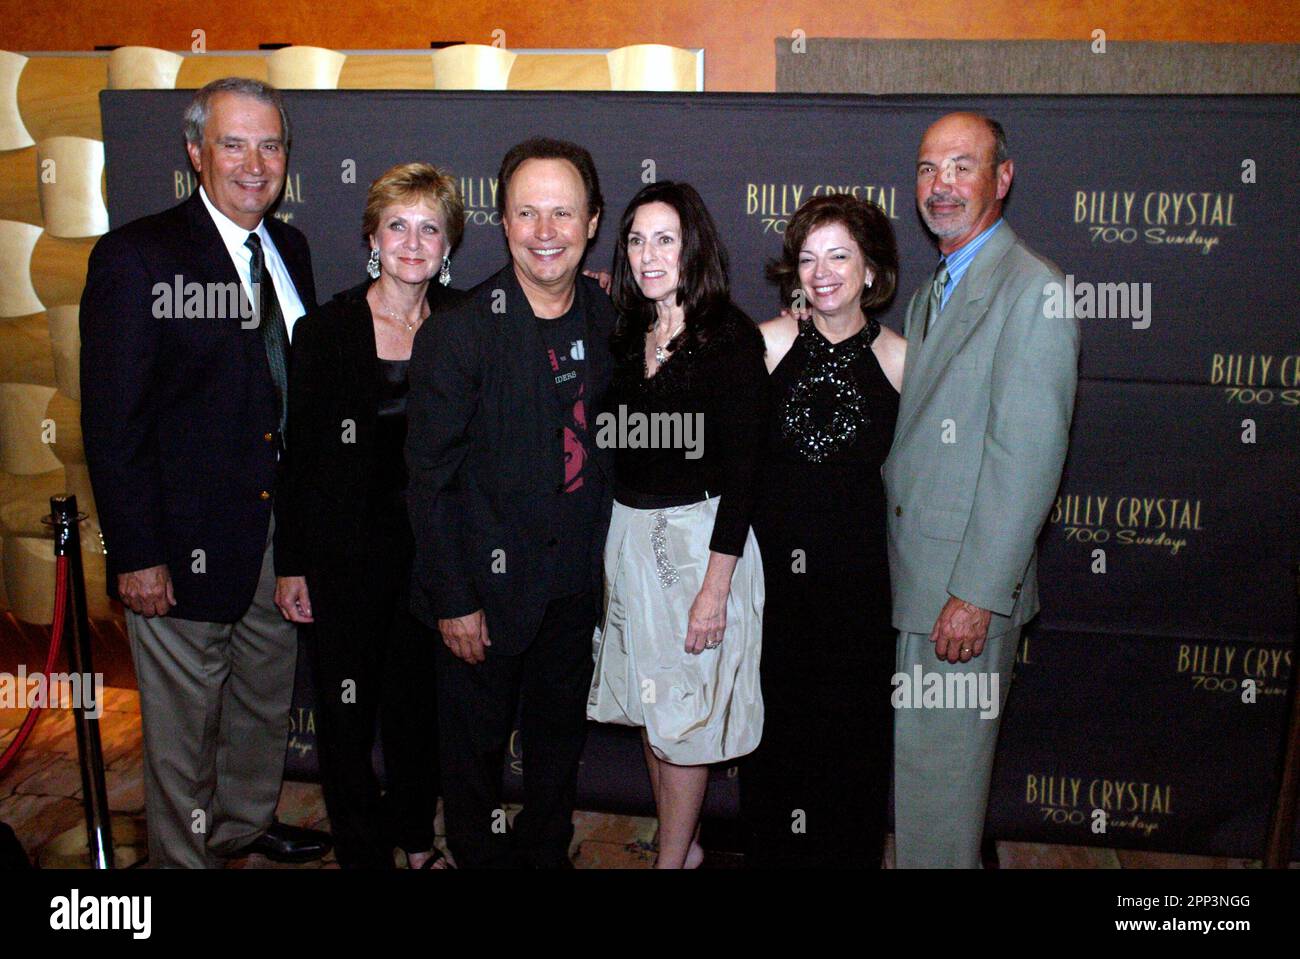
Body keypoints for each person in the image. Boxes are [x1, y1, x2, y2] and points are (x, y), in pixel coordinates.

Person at [79, 77, 329, 867]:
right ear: (195, 152)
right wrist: (138, 554)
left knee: (260, 710)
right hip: (178, 550)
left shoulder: (289, 248)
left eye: (270, 145)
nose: (255, 163)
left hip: (274, 539)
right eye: (233, 143)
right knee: (184, 735)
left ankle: (238, 832)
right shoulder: (139, 256)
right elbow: (112, 422)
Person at [406, 138, 615, 869]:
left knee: (558, 751)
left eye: (563, 212)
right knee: (474, 765)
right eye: (528, 213)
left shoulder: (610, 316)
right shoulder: (460, 332)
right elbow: (427, 480)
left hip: (574, 591)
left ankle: (546, 855)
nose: (546, 230)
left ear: (592, 221)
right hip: (481, 600)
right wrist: (453, 599)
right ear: (503, 221)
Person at [886, 112, 1080, 868]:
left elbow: (1027, 457)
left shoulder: (1034, 292)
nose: (941, 186)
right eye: (929, 169)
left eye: (962, 167)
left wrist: (974, 593)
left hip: (958, 597)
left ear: (1003, 178)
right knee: (929, 789)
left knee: (940, 799)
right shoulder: (936, 290)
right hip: (923, 585)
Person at [273, 163, 465, 869]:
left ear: (448, 245)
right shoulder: (325, 331)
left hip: (431, 554)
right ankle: (361, 851)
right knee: (345, 717)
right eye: (398, 226)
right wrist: (292, 560)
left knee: (417, 710)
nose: (413, 243)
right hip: (341, 556)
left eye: (430, 228)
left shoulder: (466, 323)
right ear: (373, 237)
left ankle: (417, 839)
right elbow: (297, 457)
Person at [587, 181, 768, 869]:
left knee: (684, 718)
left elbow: (747, 472)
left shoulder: (727, 337)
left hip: (698, 545)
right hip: (629, 538)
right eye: (635, 239)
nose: (647, 253)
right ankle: (682, 847)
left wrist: (716, 586)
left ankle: (669, 863)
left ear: (694, 246)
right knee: (652, 704)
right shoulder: (627, 328)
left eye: (664, 238)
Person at [742, 193, 906, 868]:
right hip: (773, 581)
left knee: (852, 742)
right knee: (774, 738)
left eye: (839, 255)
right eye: (808, 258)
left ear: (871, 269)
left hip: (861, 587)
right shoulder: (766, 344)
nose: (823, 271)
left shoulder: (905, 360)